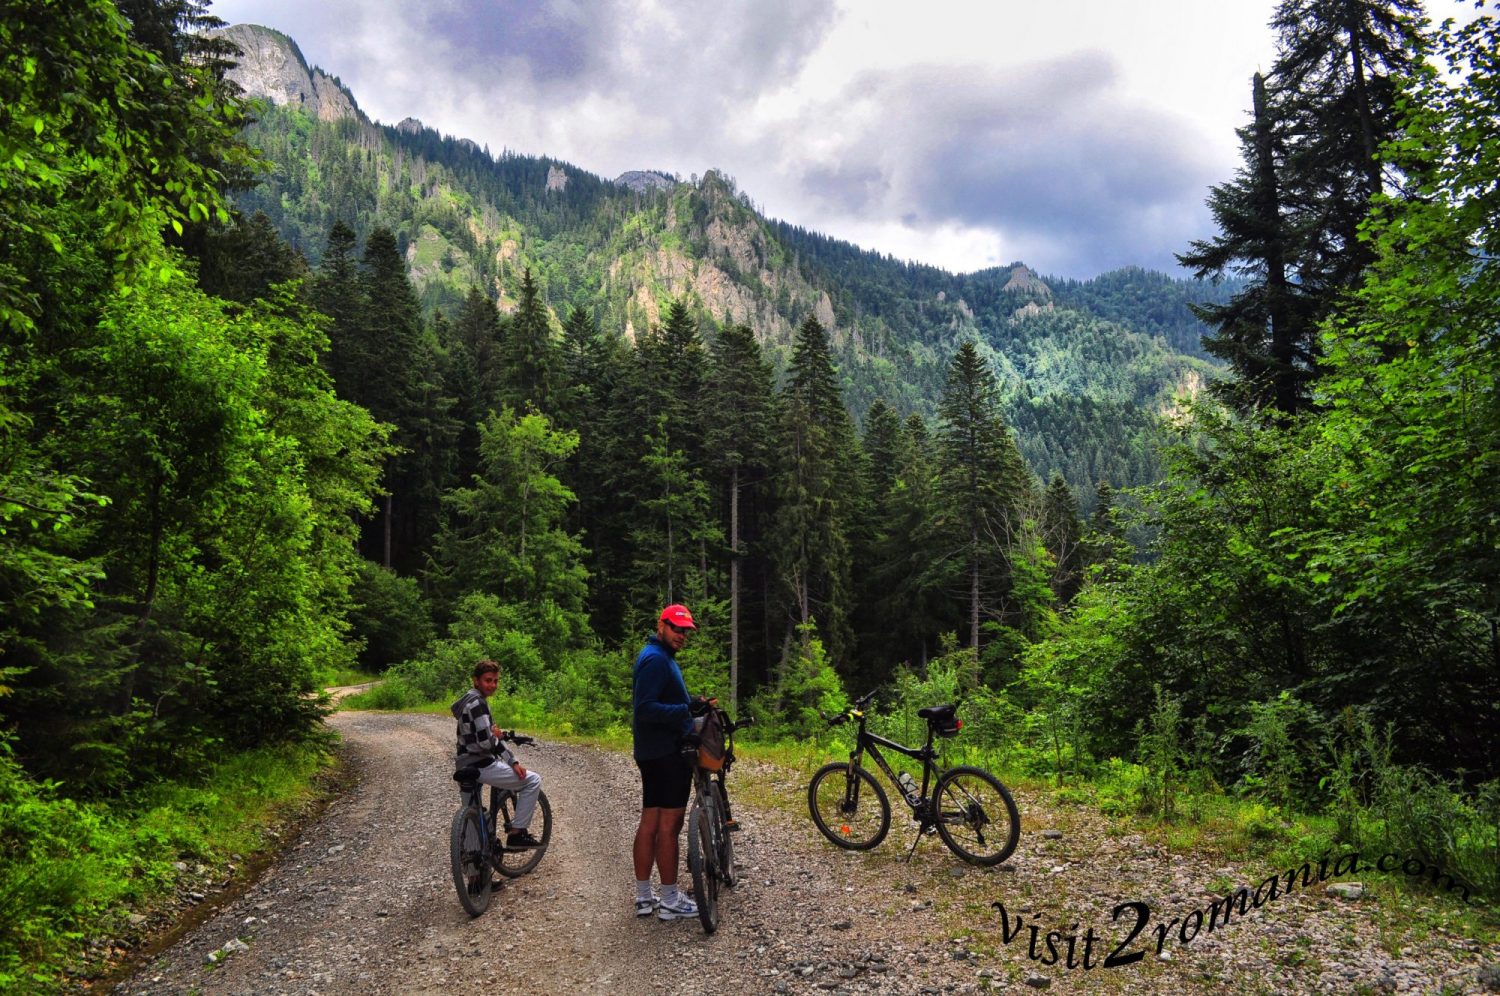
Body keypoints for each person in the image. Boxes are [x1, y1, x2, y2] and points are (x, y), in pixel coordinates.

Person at [630, 603, 702, 920]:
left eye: (685, 630)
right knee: (668, 827)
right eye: (676, 628)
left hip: (652, 752)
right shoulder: (656, 660)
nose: (681, 635)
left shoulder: (657, 656)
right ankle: (671, 898)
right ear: (661, 625)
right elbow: (645, 709)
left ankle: (645, 897)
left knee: (650, 822)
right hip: (666, 753)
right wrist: (688, 709)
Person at [451, 659, 543, 849]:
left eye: (495, 681)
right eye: (487, 680)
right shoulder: (478, 703)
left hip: (463, 764)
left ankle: (476, 877)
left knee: (472, 816)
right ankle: (517, 833)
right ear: (476, 681)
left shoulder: (467, 700)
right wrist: (513, 761)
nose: (492, 685)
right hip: (481, 764)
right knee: (532, 780)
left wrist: (495, 734)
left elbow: (480, 733)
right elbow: (487, 742)